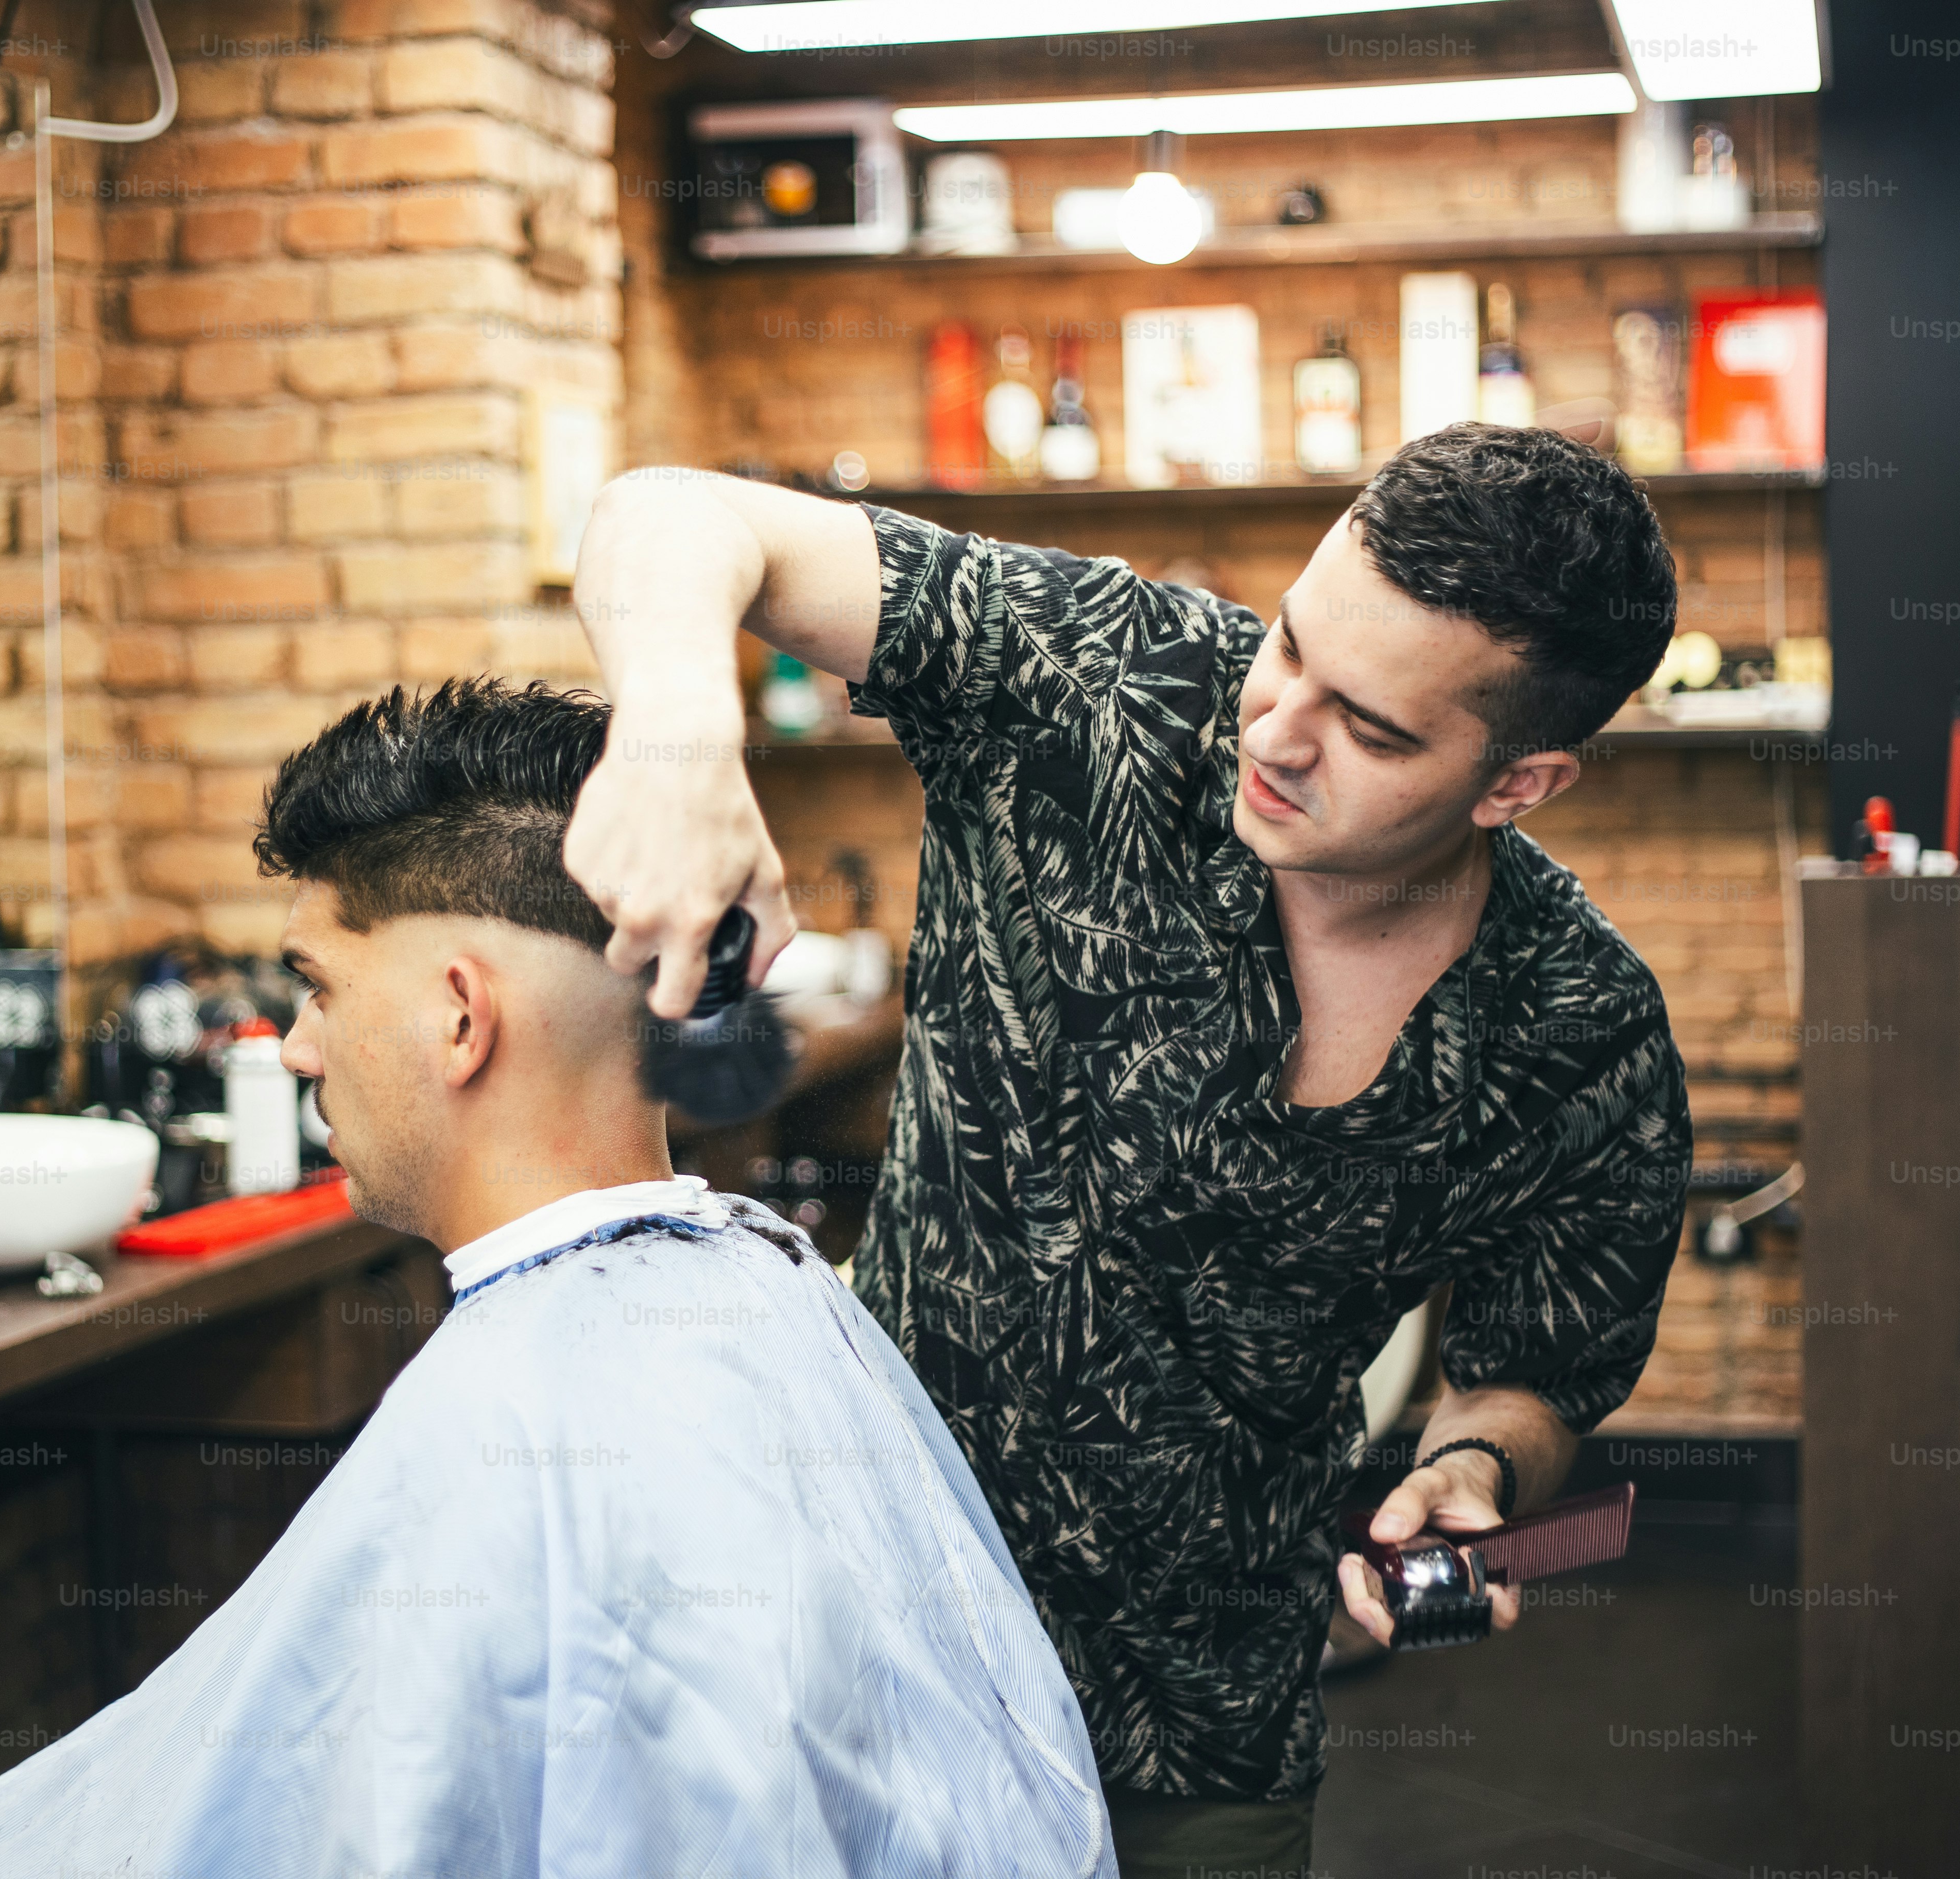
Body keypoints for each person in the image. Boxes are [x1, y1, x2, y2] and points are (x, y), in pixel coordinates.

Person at [563, 422, 1694, 1872]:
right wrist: (675, 745)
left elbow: (1535, 1367)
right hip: (844, 1642)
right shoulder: (1105, 678)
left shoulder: (1577, 1027)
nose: (1276, 731)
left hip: (1200, 1713)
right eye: (1290, 648)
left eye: (1374, 728)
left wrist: (1473, 1469)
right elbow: (667, 513)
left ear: (1519, 784)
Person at [0, 679, 1115, 1879]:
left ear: (460, 1016)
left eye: (313, 985)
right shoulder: (760, 1287)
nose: (297, 1047)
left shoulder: (523, 1416)